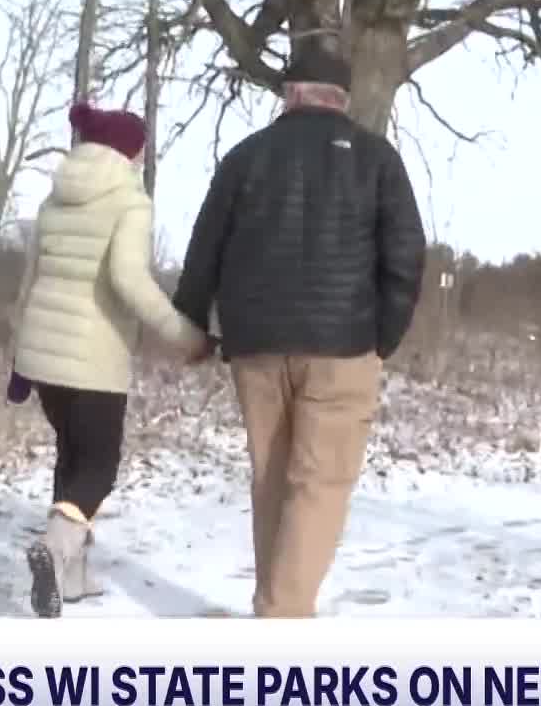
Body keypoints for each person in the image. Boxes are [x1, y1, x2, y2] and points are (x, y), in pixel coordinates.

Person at [170, 42, 426, 618]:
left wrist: (193, 323)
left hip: (256, 342)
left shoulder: (245, 157)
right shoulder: (376, 159)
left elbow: (204, 249)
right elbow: (406, 254)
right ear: (343, 100)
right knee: (319, 483)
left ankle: (278, 605)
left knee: (273, 478)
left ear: (290, 93)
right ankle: (281, 619)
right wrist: (383, 336)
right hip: (343, 344)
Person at [9, 102, 214, 619]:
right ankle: (55, 550)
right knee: (99, 468)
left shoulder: (55, 198)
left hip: (42, 354)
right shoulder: (129, 200)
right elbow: (129, 280)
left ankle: (73, 578)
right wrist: (185, 336)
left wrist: (19, 359)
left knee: (72, 456)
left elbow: (30, 280)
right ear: (131, 151)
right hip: (93, 356)